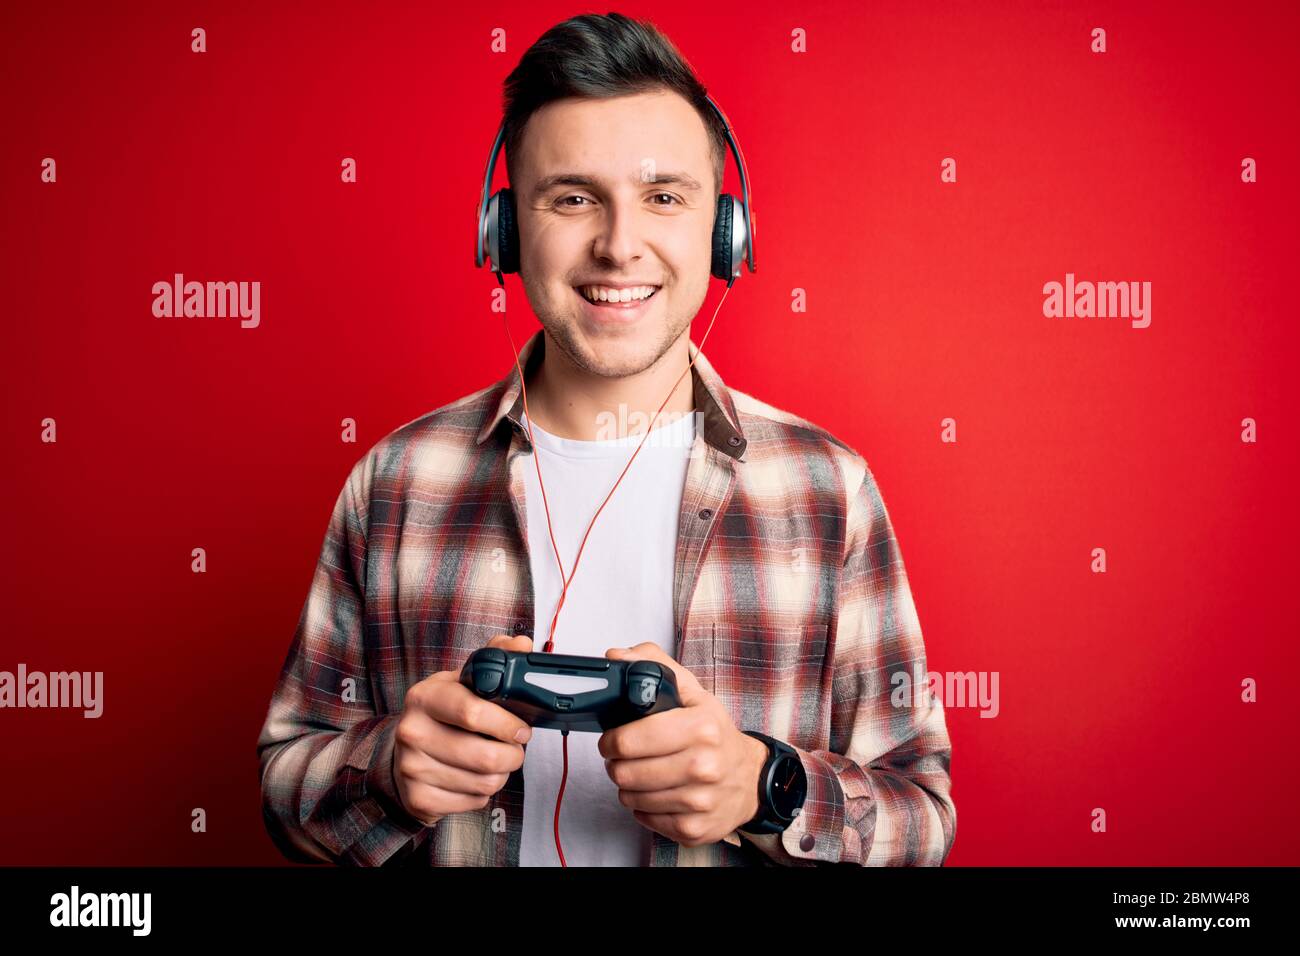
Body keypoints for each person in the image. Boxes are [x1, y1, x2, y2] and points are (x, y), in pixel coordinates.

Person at [257, 11, 955, 867]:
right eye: (574, 197)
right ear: (506, 234)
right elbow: (286, 785)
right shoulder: (395, 481)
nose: (620, 246)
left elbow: (922, 818)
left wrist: (763, 788)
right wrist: (383, 774)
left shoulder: (825, 490)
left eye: (663, 197)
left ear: (725, 234)